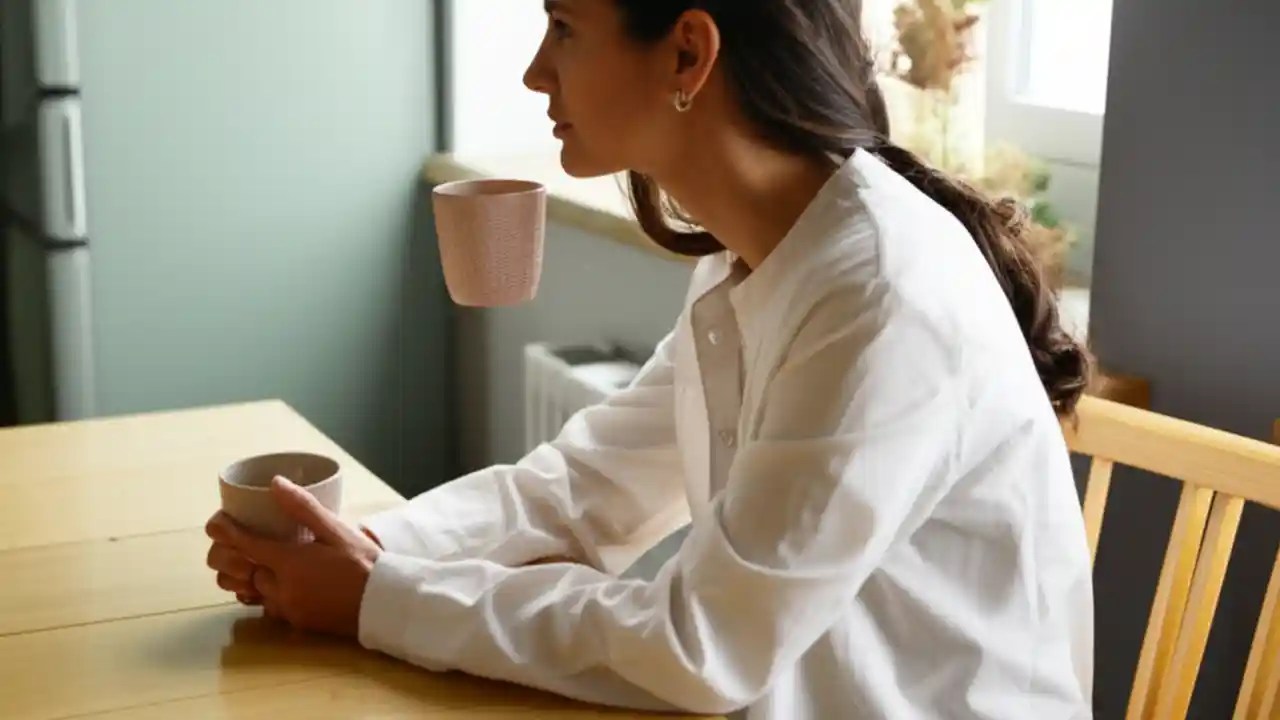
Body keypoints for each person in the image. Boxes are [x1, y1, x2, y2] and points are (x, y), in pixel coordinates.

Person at [205, 1, 1096, 717]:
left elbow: (702, 646)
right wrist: (360, 550)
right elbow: (584, 488)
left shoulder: (878, 292)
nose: (532, 70)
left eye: (563, 28)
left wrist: (376, 599)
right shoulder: (755, 255)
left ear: (686, 54)